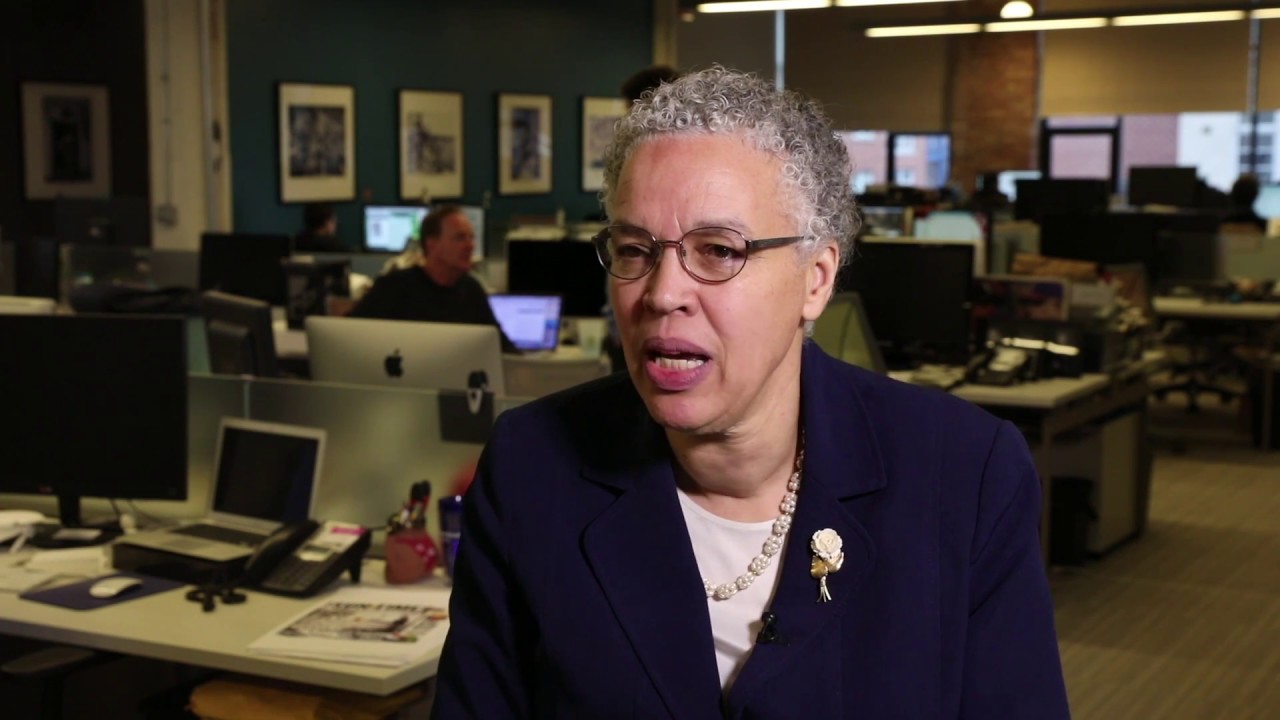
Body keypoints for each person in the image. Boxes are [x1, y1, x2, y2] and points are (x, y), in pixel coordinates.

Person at [432, 67, 1068, 718]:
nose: (661, 293)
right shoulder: (532, 465)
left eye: (717, 250)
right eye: (634, 249)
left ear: (815, 280)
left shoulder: (963, 473)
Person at [348, 205, 517, 353]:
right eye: (460, 238)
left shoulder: (471, 290)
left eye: (471, 237)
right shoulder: (395, 287)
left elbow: (501, 346)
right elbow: (348, 335)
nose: (470, 246)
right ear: (432, 244)